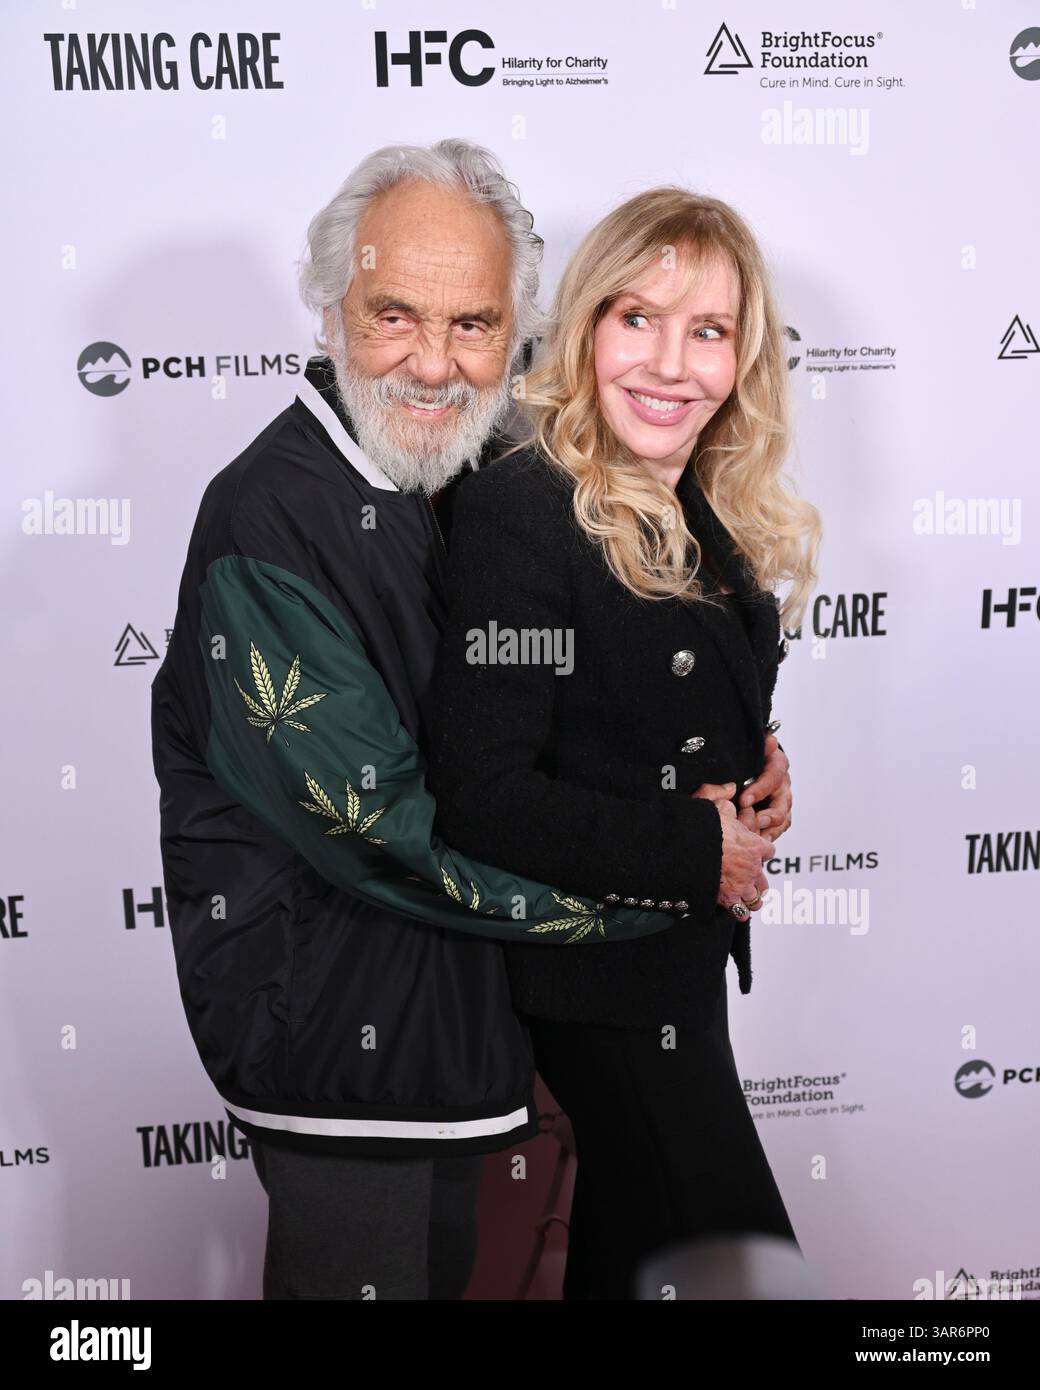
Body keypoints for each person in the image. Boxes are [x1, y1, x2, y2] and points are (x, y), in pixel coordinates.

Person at [150, 141, 718, 1301]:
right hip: (355, 1080)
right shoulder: (268, 518)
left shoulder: (466, 473)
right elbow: (385, 834)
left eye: (472, 325)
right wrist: (664, 880)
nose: (434, 361)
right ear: (328, 308)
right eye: (393, 315)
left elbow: (565, 704)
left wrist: (725, 769)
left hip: (478, 1046)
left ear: (516, 332)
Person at [428, 186, 821, 1299]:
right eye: (635, 318)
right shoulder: (525, 506)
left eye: (705, 330)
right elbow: (481, 790)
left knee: (631, 1257)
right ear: (586, 326)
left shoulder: (700, 491)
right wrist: (697, 851)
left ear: (741, 356)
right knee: (745, 1273)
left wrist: (761, 770)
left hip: (676, 970)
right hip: (598, 986)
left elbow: (662, 702)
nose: (668, 362)